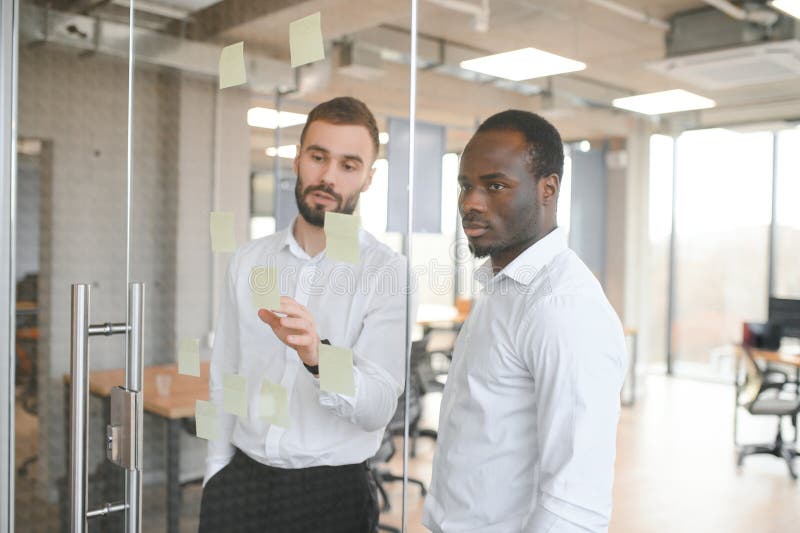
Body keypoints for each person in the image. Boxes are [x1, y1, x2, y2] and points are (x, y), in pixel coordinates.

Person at [199, 96, 408, 533]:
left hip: (331, 499)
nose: (328, 177)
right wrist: (215, 475)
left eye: (349, 165)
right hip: (241, 484)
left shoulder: (387, 273)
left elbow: (379, 407)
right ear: (297, 159)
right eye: (318, 157)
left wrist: (319, 358)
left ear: (369, 179)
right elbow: (226, 379)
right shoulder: (249, 261)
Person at [423, 110, 627, 532]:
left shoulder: (562, 307)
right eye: (466, 186)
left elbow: (574, 502)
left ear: (547, 189)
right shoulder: (504, 289)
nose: (470, 203)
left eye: (495, 185)